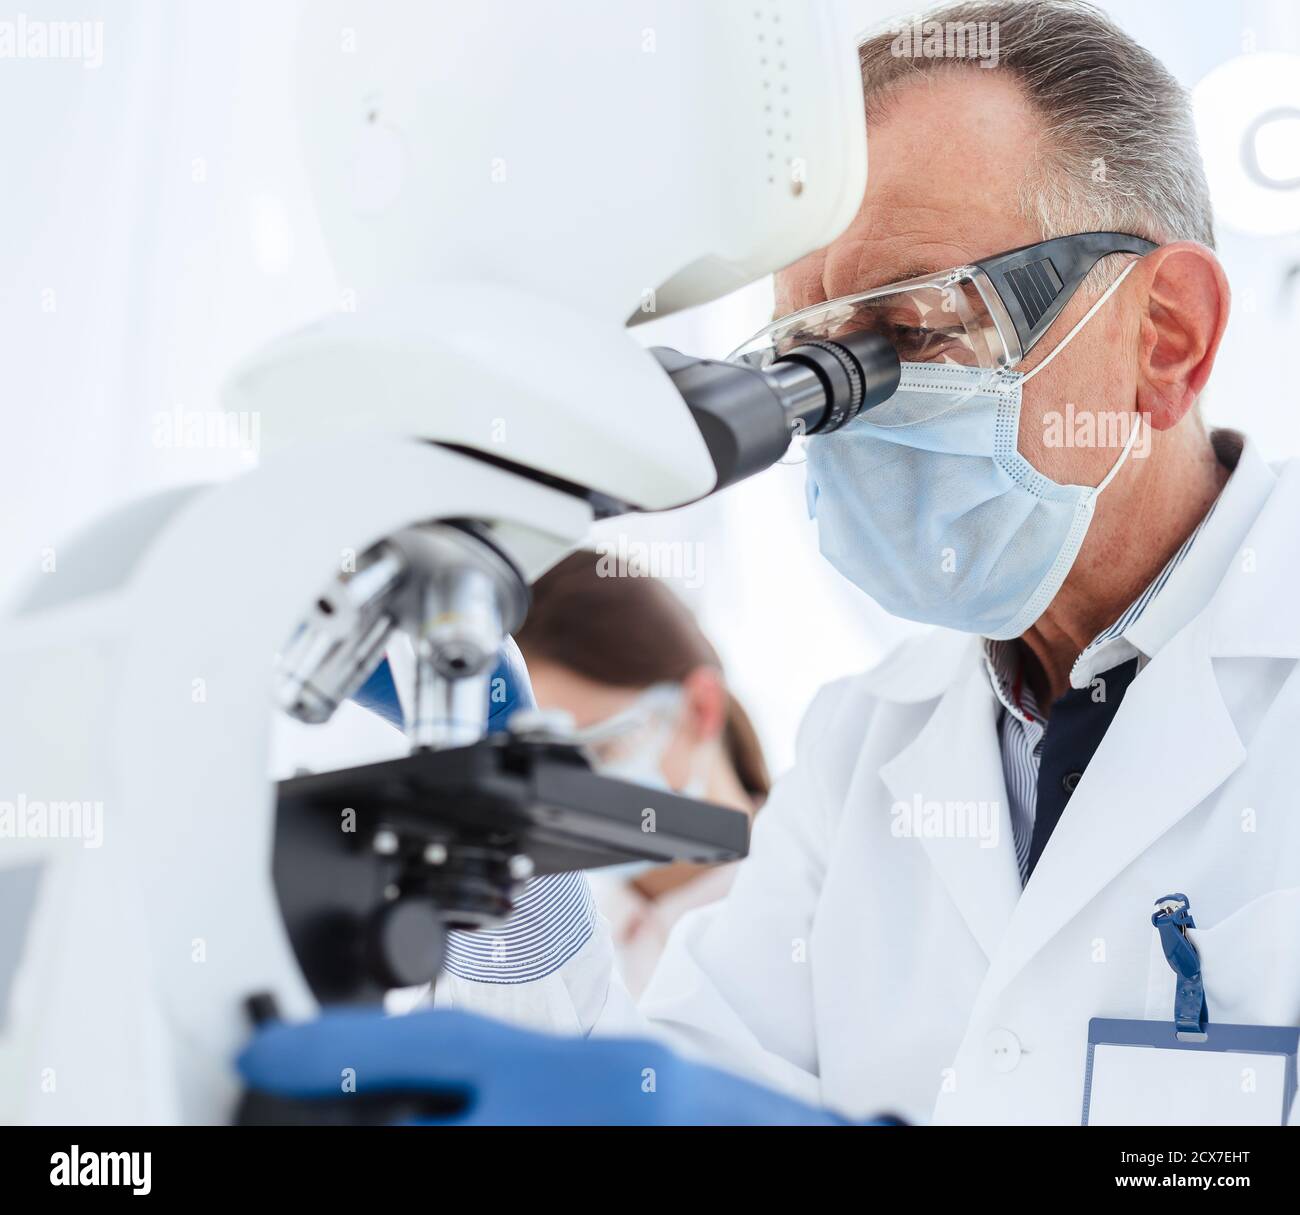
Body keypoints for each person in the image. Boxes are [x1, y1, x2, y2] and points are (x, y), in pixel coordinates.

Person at [253, 0, 1300, 1126]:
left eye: (910, 331)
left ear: (1166, 336)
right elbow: (650, 1094)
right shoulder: (867, 748)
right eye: (807, 362)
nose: (847, 420)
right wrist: (502, 849)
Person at [513, 550, 769, 996]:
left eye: (597, 748)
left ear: (701, 708)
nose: (564, 794)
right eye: (541, 766)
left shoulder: (819, 896)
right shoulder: (580, 947)